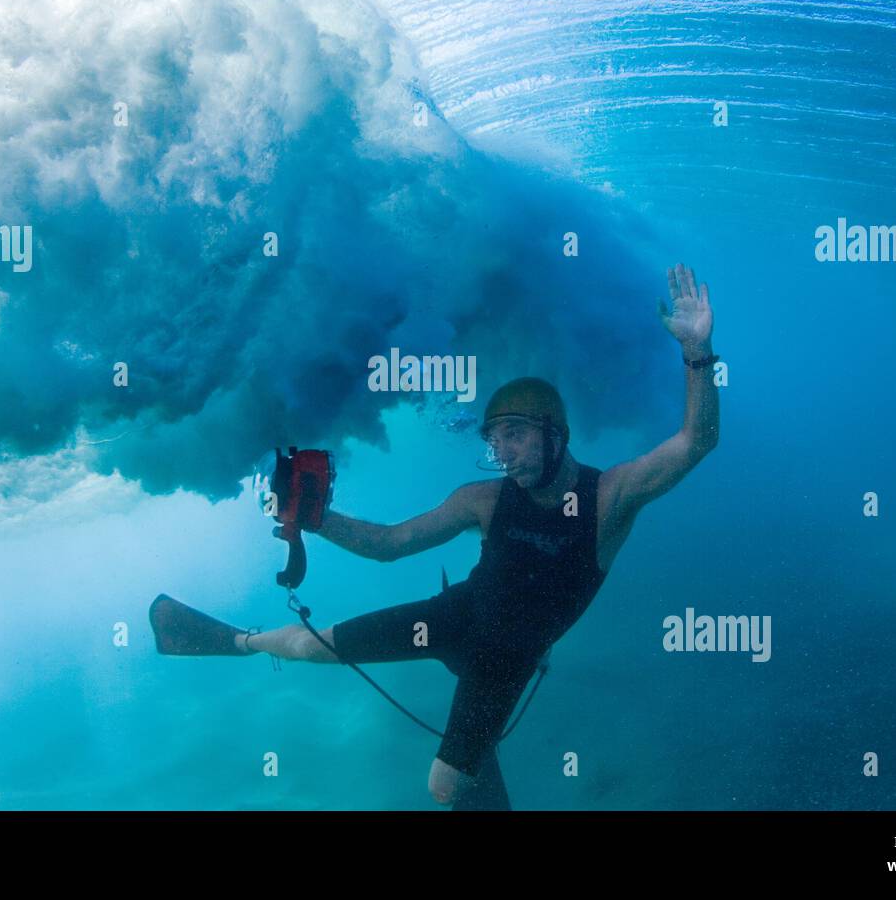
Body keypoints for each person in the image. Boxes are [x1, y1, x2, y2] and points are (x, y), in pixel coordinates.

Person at [153, 263, 719, 807]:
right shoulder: (485, 498)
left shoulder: (611, 497)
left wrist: (696, 351)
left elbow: (696, 442)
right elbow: (390, 545)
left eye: (516, 435)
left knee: (444, 787)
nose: (503, 452)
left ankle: (476, 760)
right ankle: (235, 641)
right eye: (495, 440)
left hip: (507, 658)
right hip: (450, 617)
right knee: (306, 646)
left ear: (556, 434)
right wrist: (314, 518)